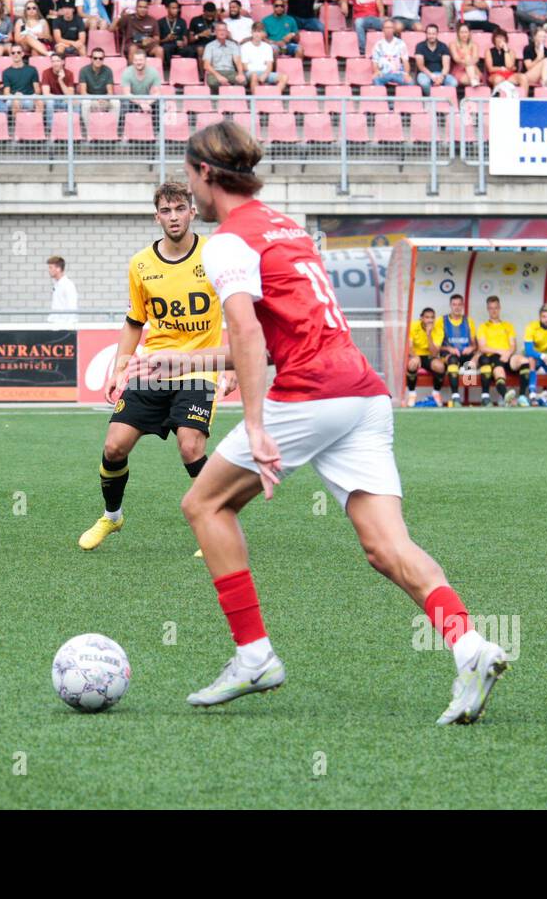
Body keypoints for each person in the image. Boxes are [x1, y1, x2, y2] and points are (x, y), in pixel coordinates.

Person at [162, 120, 510, 719]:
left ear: (203, 174)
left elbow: (246, 330)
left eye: (187, 174)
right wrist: (169, 360)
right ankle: (469, 646)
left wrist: (257, 423)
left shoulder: (225, 240)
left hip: (311, 395)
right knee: (386, 547)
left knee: (204, 504)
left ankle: (253, 654)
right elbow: (276, 336)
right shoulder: (286, 226)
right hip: (362, 393)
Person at [78, 182, 238, 556]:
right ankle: (112, 516)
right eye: (165, 211)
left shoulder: (214, 256)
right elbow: (135, 322)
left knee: (189, 445)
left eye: (179, 209)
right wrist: (119, 369)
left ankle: (216, 524)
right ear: (157, 217)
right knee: (114, 447)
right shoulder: (141, 265)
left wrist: (232, 368)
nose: (173, 217)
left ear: (192, 212)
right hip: (154, 367)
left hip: (202, 366)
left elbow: (237, 310)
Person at [475, 294, 521, 406]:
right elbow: (482, 347)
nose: (493, 311)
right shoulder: (483, 326)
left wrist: (507, 353)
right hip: (490, 357)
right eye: (491, 308)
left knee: (524, 362)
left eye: (495, 308)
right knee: (491, 364)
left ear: (499, 308)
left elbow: (513, 345)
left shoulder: (508, 326)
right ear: (487, 309)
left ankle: (525, 396)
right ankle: (501, 396)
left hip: (507, 358)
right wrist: (499, 351)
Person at [436, 293, 475, 406]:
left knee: (480, 361)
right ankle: (455, 396)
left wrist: (471, 347)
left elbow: (475, 345)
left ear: (462, 305)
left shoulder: (469, 321)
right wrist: (449, 348)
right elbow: (437, 347)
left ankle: (483, 397)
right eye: (454, 304)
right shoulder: (441, 321)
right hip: (448, 355)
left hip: (464, 356)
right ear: (450, 305)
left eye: (459, 304)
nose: (457, 307)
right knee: (453, 361)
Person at [405, 306, 444, 406]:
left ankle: (436, 393)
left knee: (440, 367)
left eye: (432, 317)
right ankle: (412, 394)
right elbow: (408, 346)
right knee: (412, 364)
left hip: (429, 356)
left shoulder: (438, 329)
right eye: (427, 317)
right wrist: (415, 356)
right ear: (421, 318)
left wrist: (428, 334)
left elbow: (434, 353)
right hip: (415, 355)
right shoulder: (413, 326)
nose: (430, 320)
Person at [414, 23, 456, 94]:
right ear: (426, 34)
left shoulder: (443, 46)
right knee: (424, 82)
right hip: (425, 73)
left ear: (437, 34)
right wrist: (432, 76)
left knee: (453, 83)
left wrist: (441, 78)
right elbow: (421, 66)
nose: (431, 36)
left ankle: (442, 98)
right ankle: (432, 97)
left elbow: (446, 66)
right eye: (429, 33)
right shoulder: (420, 46)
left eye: (433, 34)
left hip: (440, 73)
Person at [202, 19, 243, 91]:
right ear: (215, 32)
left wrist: (240, 73)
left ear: (227, 32)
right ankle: (225, 93)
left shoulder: (233, 45)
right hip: (215, 72)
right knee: (213, 82)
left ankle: (231, 96)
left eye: (224, 30)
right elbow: (206, 65)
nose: (222, 32)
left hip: (230, 72)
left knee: (242, 81)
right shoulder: (209, 46)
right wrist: (218, 76)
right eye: (219, 30)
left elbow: (238, 61)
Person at [47, 254, 78, 327]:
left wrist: (69, 328)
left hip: (64, 327)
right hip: (55, 325)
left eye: (51, 268)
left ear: (58, 269)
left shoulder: (68, 285)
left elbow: (72, 307)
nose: (49, 270)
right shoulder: (57, 285)